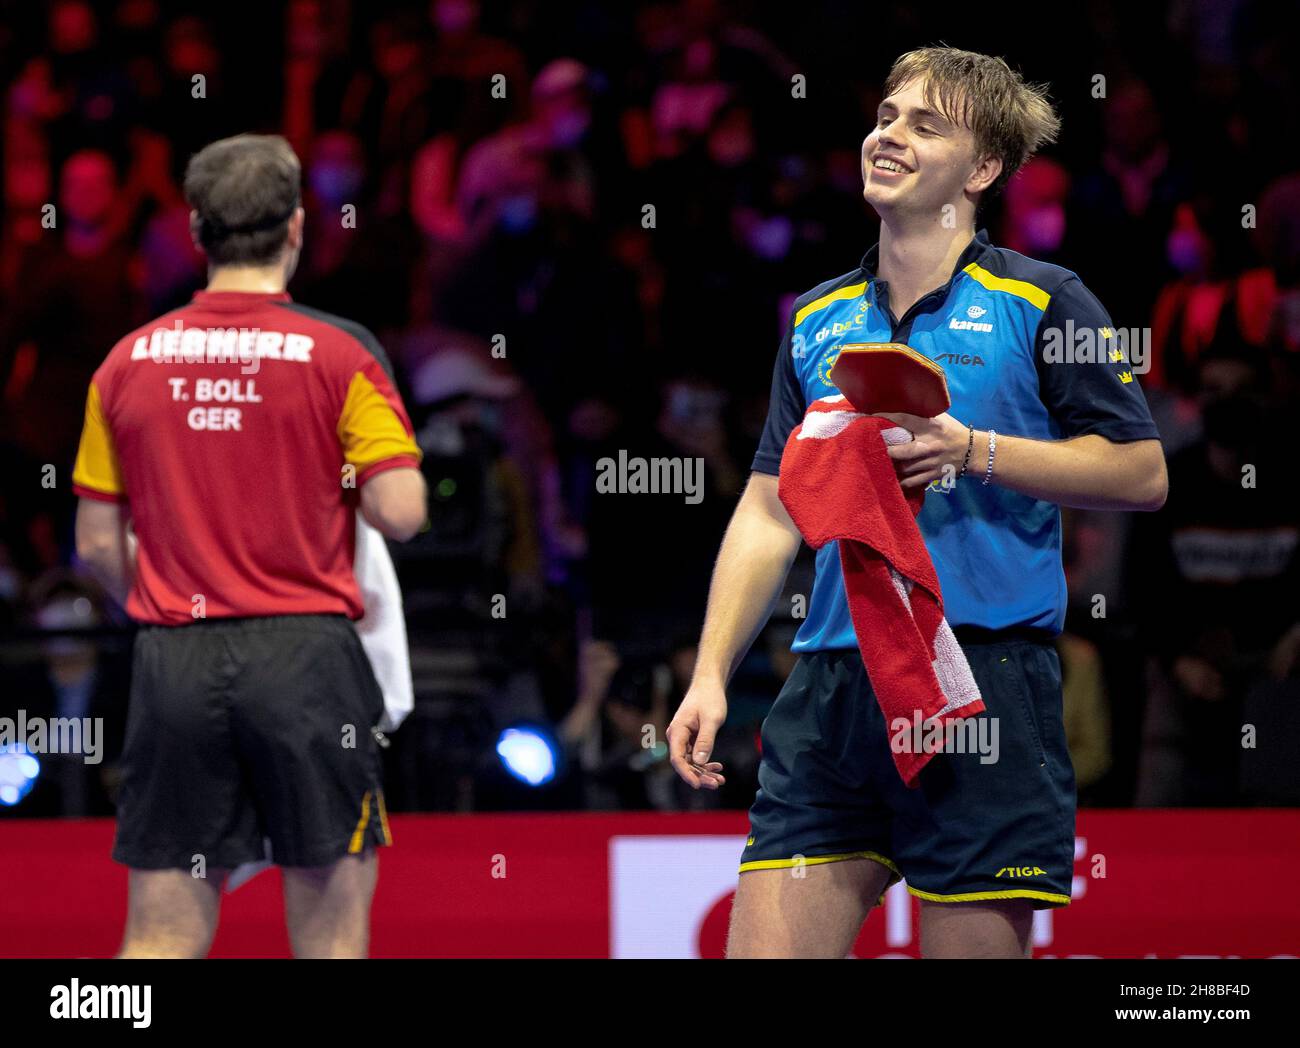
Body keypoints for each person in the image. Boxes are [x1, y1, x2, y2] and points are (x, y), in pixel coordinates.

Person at [667, 47, 1168, 958]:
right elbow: (770, 508)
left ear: (982, 170)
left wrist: (973, 450)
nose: (888, 135)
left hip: (982, 679)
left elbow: (1140, 472)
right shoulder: (817, 317)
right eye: (887, 116)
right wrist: (711, 672)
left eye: (924, 124)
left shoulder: (1044, 300)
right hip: (830, 685)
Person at [71, 134, 426, 958]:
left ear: (197, 230)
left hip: (174, 663)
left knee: (157, 936)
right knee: (330, 940)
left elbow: (94, 543)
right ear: (298, 226)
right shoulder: (340, 352)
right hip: (305, 660)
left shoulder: (125, 363)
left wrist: (167, 597)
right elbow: (401, 512)